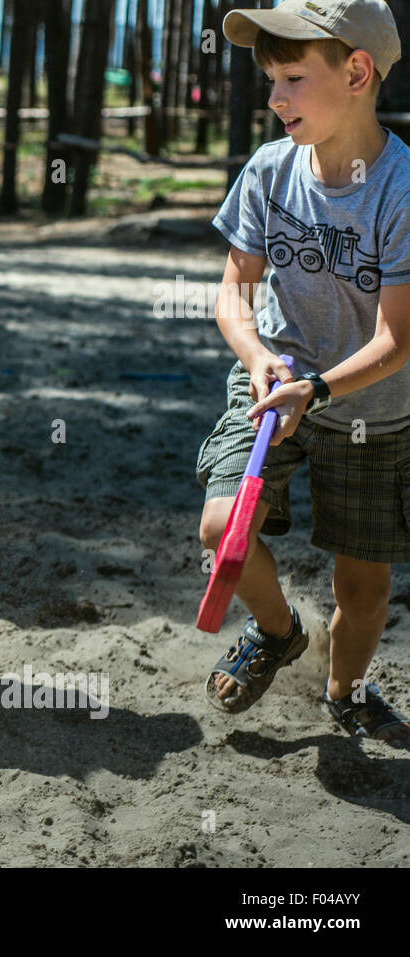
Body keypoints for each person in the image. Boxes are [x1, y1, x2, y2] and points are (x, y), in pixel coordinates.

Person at [198, 0, 409, 743]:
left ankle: (346, 692)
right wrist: (257, 360)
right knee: (224, 526)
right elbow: (233, 291)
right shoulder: (268, 169)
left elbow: (397, 338)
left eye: (291, 77)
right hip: (270, 381)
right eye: (270, 81)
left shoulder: (402, 189)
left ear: (357, 71)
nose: (275, 98)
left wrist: (317, 390)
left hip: (372, 407)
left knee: (363, 582)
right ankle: (279, 630)